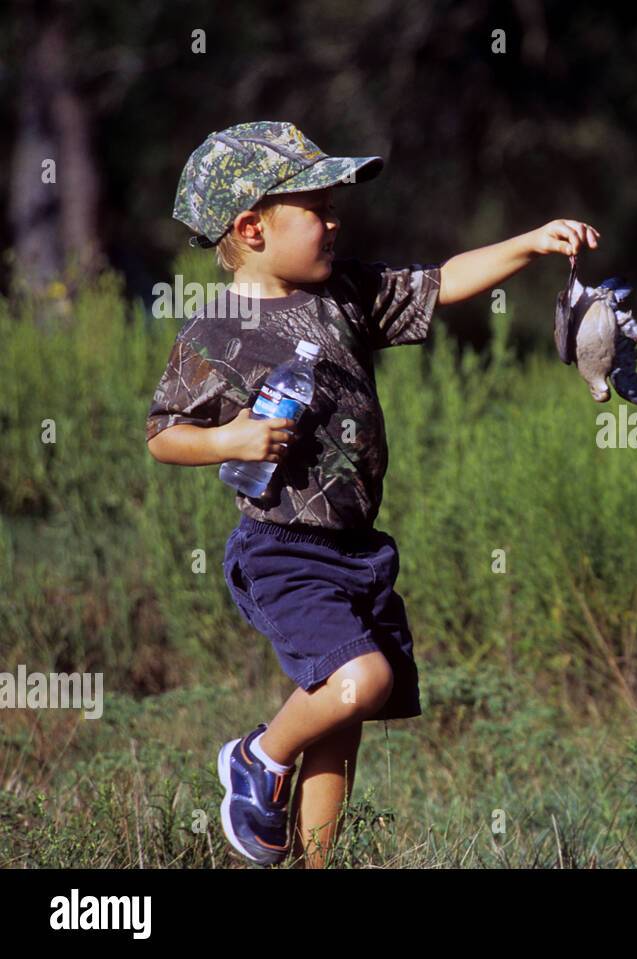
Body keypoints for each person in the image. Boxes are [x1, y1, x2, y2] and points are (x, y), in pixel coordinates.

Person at [146, 121, 597, 867]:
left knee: (343, 718)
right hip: (281, 547)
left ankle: (322, 860)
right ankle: (257, 757)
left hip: (356, 548)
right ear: (252, 227)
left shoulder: (346, 293)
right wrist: (229, 440)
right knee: (362, 678)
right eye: (316, 208)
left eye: (333, 206)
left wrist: (529, 242)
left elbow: (443, 281)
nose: (334, 220)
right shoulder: (216, 333)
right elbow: (165, 434)